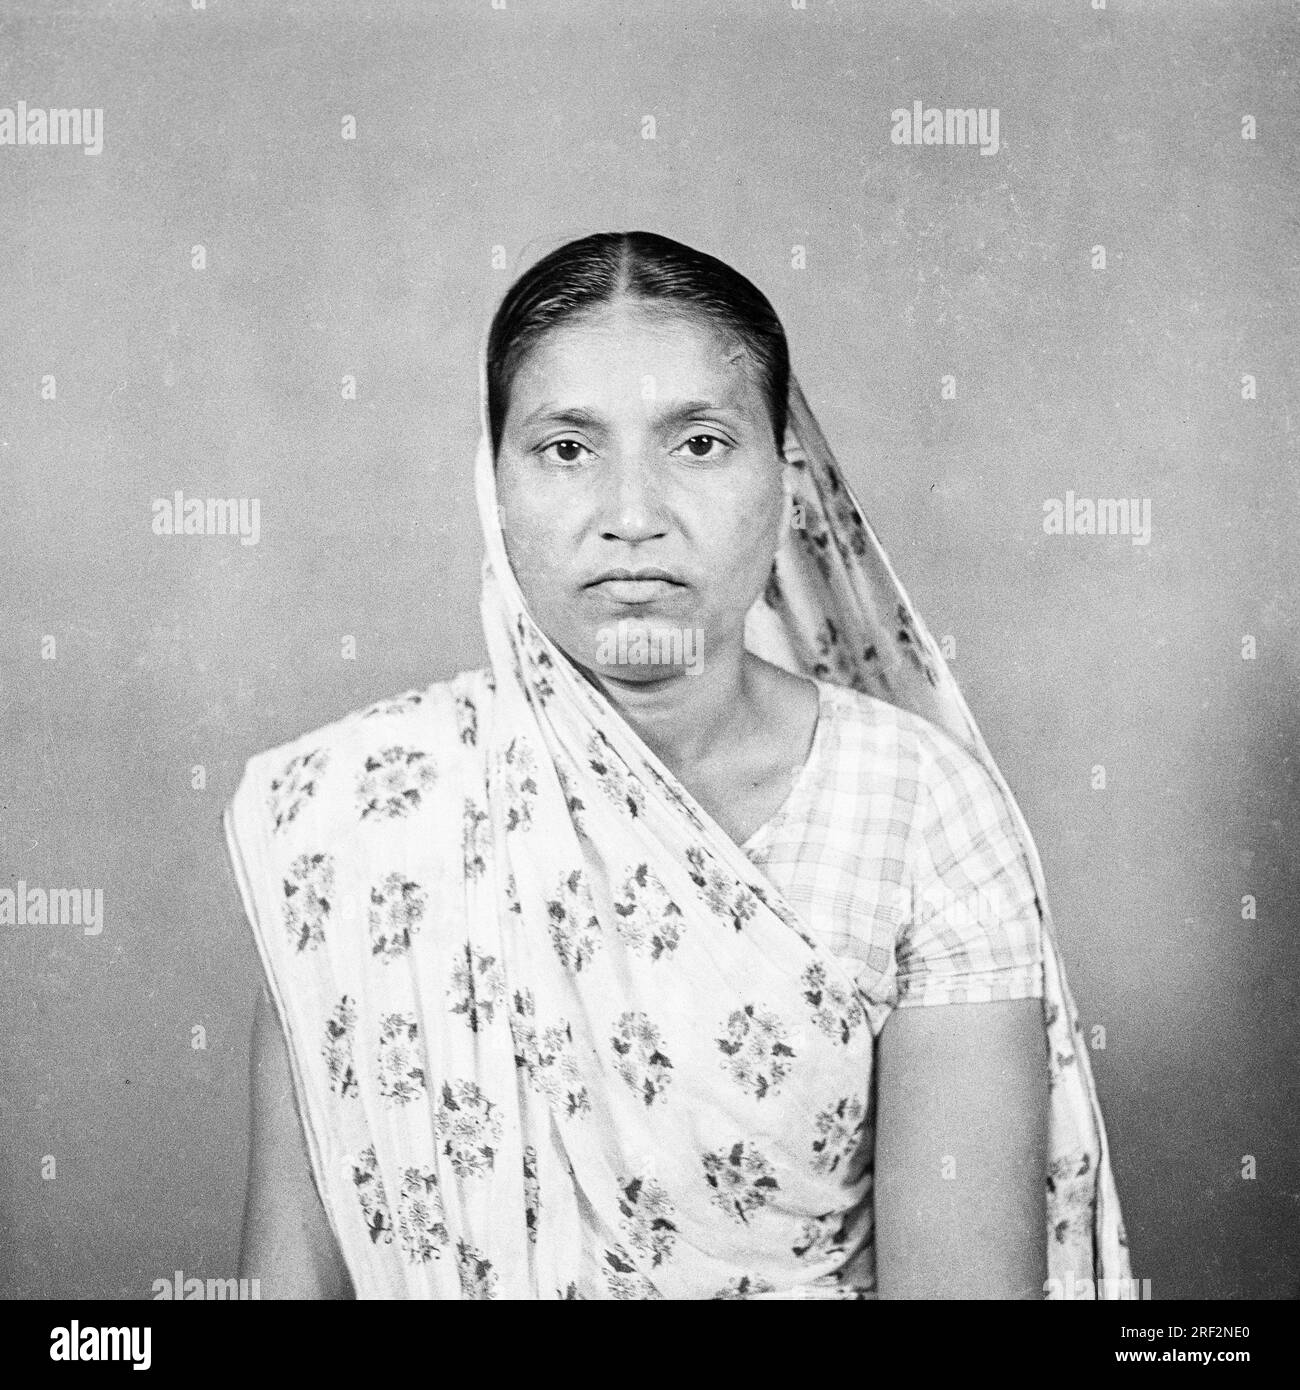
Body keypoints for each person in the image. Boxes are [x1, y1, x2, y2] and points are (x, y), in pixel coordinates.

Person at [225, 230, 1129, 1299]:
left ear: (787, 480)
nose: (633, 517)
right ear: (495, 483)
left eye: (697, 443)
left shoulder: (917, 811)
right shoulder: (353, 819)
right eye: (568, 449)